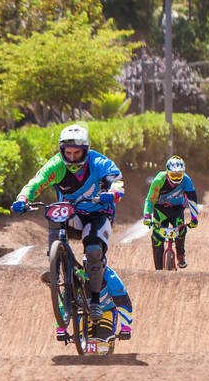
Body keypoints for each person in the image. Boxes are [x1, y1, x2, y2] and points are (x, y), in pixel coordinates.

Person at [10, 123, 132, 352]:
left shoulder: (98, 162)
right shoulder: (56, 165)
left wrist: (113, 193)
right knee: (54, 217)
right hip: (70, 213)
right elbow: (36, 182)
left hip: (98, 213)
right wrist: (23, 197)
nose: (72, 157)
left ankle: (95, 301)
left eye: (77, 153)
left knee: (93, 252)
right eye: (68, 153)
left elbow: (117, 180)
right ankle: (57, 271)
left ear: (85, 151)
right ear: (62, 150)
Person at [143, 155, 198, 269]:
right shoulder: (159, 179)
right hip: (160, 209)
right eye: (174, 175)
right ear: (168, 172)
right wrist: (147, 215)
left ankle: (181, 255)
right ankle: (158, 269)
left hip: (177, 209)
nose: (177, 179)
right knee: (157, 238)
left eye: (179, 175)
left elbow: (192, 200)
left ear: (183, 173)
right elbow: (150, 198)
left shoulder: (187, 180)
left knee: (181, 230)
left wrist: (194, 218)